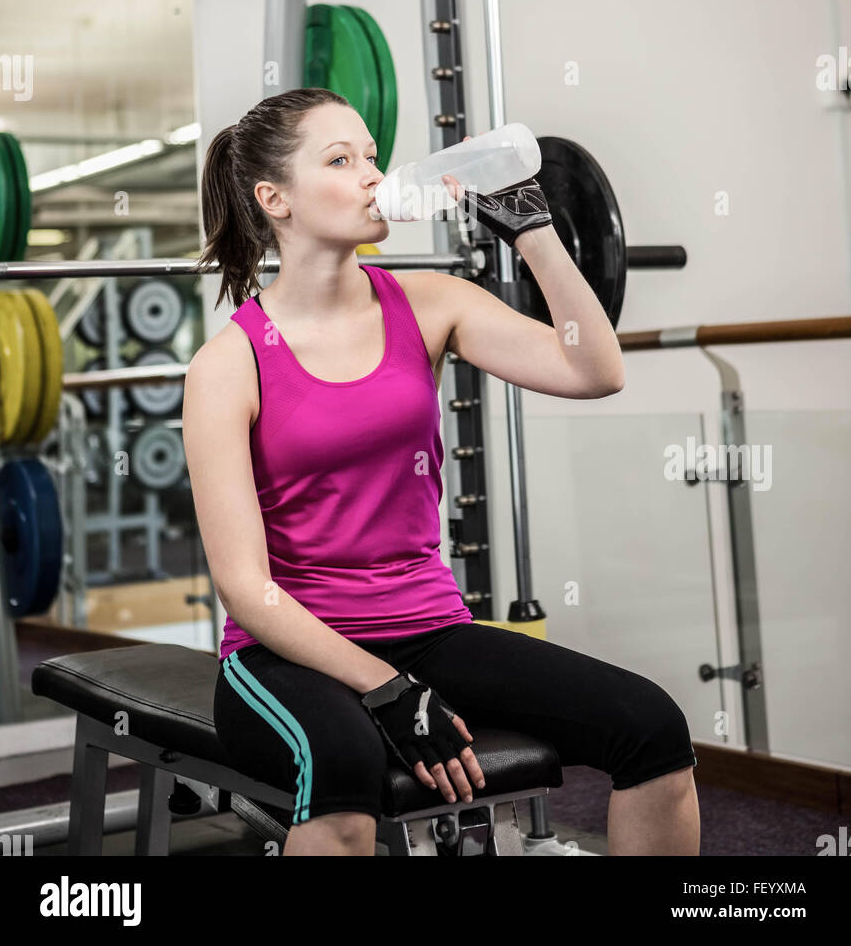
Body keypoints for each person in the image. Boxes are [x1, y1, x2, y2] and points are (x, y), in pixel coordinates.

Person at [182, 88, 700, 857]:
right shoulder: (227, 365)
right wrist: (381, 688)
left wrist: (534, 233)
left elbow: (595, 370)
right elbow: (247, 591)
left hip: (430, 629)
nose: (371, 174)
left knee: (653, 728)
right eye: (340, 160)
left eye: (370, 156)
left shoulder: (430, 305)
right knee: (343, 774)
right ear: (274, 199)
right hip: (286, 652)